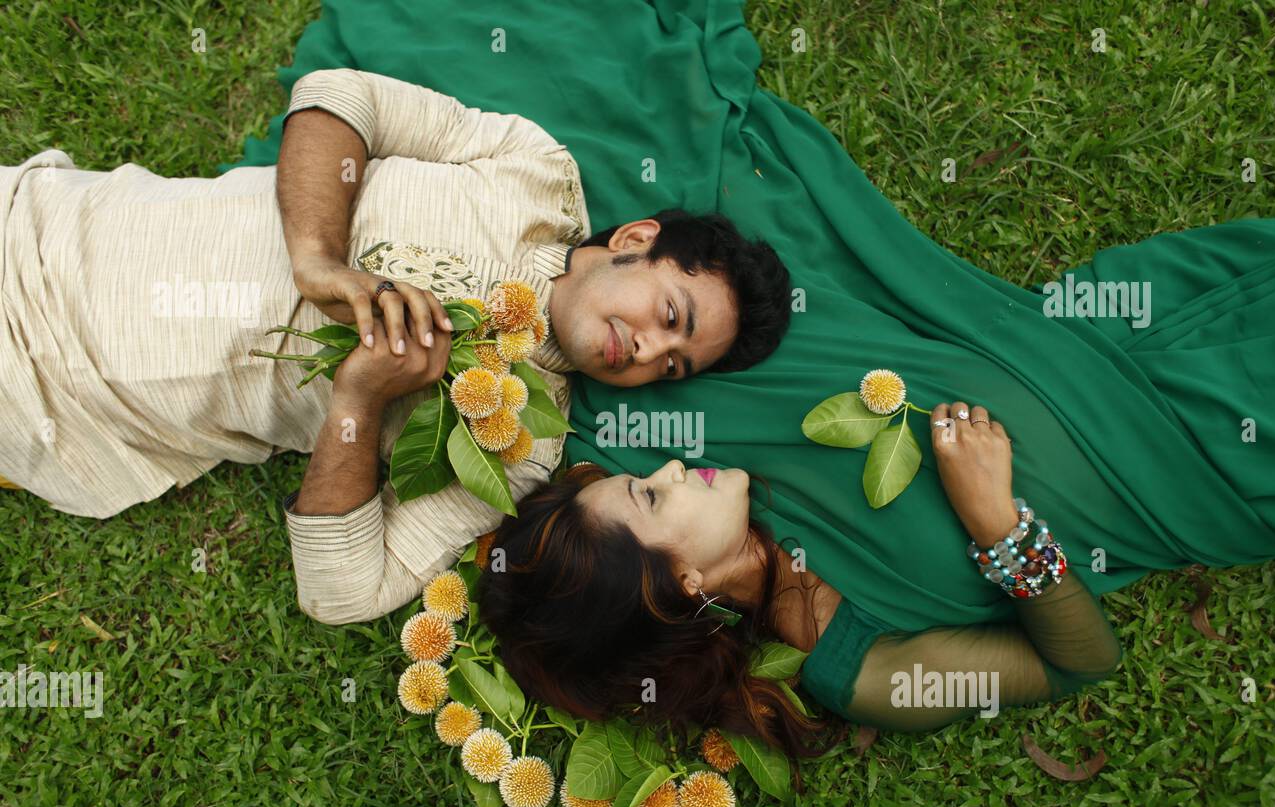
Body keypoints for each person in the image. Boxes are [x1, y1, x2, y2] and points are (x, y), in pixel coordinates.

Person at [0, 68, 792, 624]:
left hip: (54, 392)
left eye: (672, 366)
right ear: (636, 238)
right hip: (45, 228)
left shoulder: (517, 444)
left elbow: (342, 591)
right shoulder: (533, 171)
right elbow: (338, 98)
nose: (648, 351)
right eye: (669, 314)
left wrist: (358, 399)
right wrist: (319, 259)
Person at [477, 398, 1126, 756]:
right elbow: (1080, 661)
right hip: (1127, 459)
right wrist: (997, 526)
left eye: (640, 479)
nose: (669, 466)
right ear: (685, 584)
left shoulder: (646, 417)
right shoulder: (863, 672)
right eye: (650, 496)